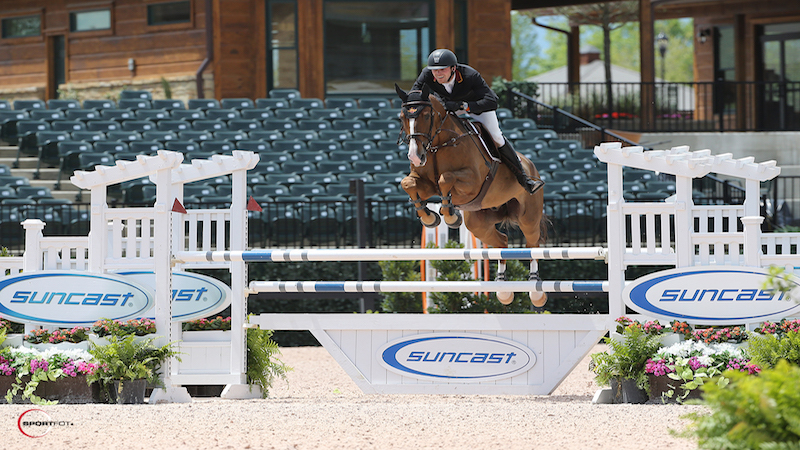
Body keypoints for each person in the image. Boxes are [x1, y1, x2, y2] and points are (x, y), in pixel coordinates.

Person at [411, 48, 543, 195]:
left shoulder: (470, 75)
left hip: (477, 108)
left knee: (497, 136)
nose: (438, 73)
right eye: (435, 70)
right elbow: (414, 95)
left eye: (443, 69)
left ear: (453, 68)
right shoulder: (427, 74)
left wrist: (465, 106)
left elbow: (492, 101)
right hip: (449, 108)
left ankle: (524, 178)